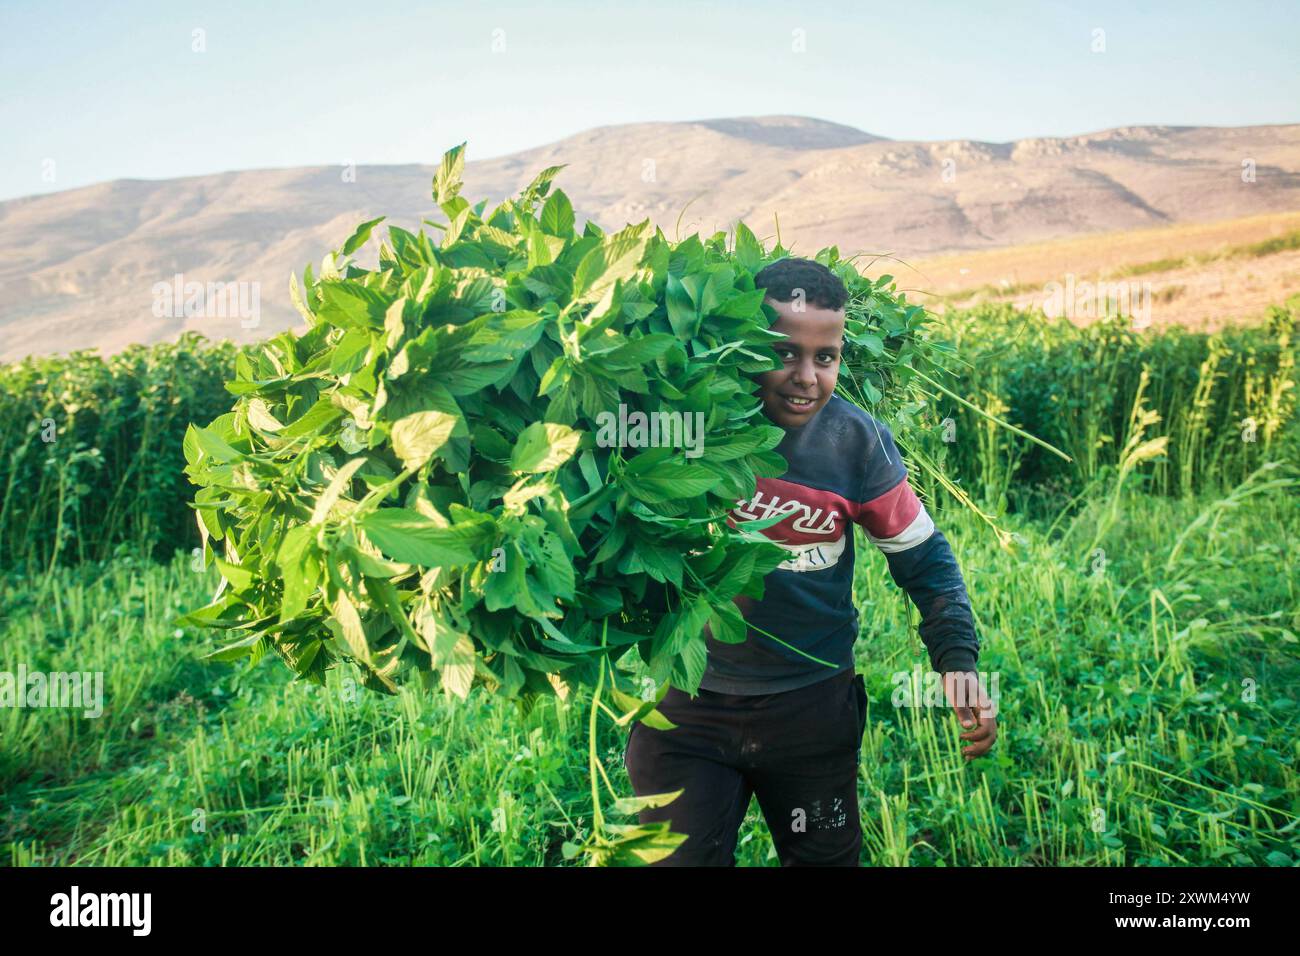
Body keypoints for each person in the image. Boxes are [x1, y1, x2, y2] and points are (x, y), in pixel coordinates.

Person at [623, 256, 997, 866]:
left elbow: (925, 562)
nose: (806, 376)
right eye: (784, 352)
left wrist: (957, 663)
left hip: (811, 711)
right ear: (740, 347)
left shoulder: (859, 444)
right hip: (687, 708)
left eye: (825, 357)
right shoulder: (685, 430)